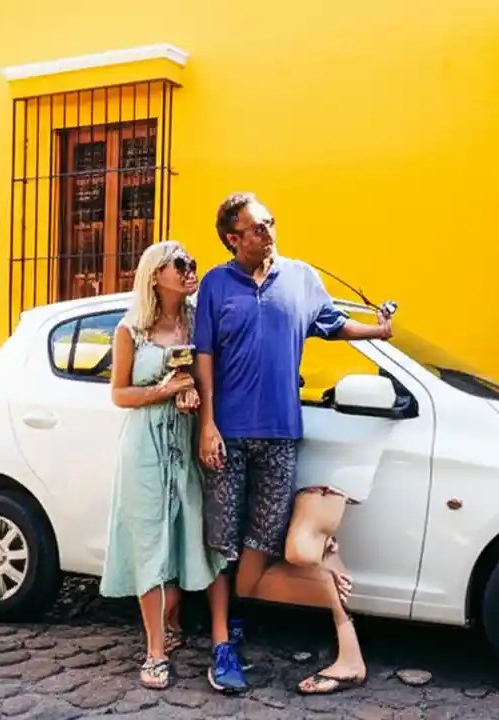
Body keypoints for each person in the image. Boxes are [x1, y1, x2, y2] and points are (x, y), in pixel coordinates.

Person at [193, 192, 392, 695]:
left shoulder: (301, 278)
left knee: (261, 540)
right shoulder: (217, 285)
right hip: (229, 435)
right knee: (221, 540)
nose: (269, 232)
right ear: (233, 239)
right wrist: (208, 425)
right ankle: (221, 643)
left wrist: (379, 330)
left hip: (281, 434)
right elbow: (204, 357)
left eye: (271, 223)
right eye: (257, 228)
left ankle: (237, 616)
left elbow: (332, 324)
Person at [99, 241, 232, 691]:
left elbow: (208, 375)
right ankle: (154, 650)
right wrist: (166, 389)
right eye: (181, 264)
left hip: (186, 444)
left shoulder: (198, 322)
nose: (190, 269)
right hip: (145, 448)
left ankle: (173, 621)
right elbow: (119, 394)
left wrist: (192, 387)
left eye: (193, 263)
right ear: (156, 274)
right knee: (150, 543)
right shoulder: (131, 329)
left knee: (187, 537)